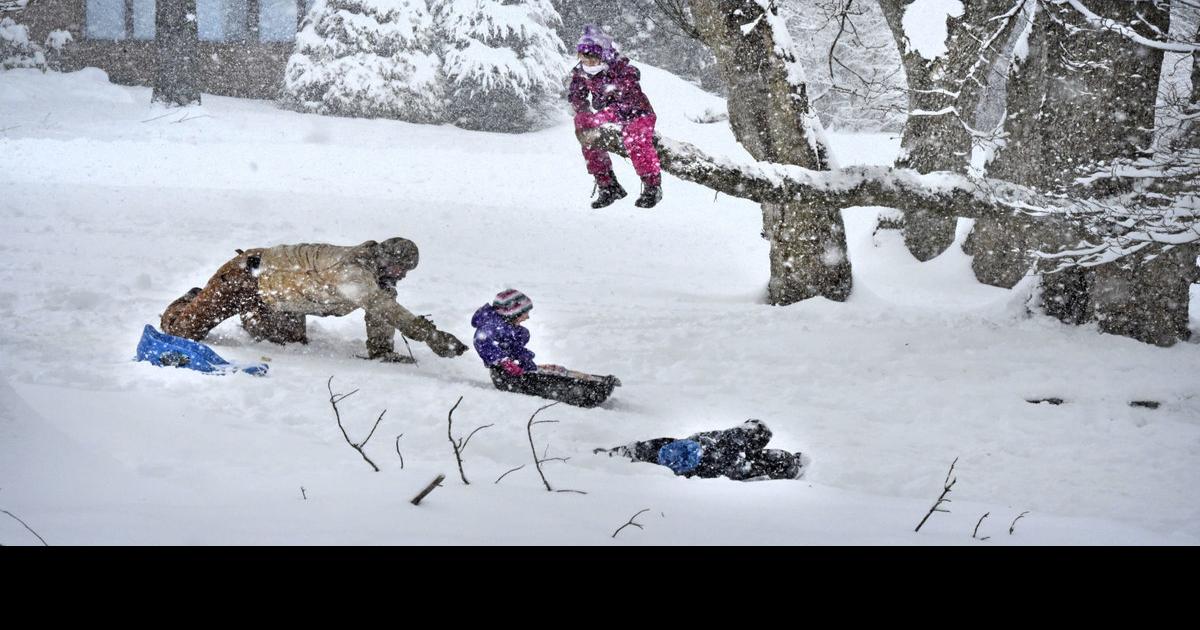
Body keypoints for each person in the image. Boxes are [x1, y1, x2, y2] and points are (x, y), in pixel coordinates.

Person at [160, 238, 468, 362]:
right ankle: (192, 299)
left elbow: (382, 311)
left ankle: (252, 313)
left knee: (287, 343)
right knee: (184, 332)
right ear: (384, 258)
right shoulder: (353, 270)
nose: (401, 275)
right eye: (399, 268)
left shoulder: (379, 279)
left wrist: (381, 350)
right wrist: (430, 335)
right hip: (246, 277)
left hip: (278, 299)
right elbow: (381, 306)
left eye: (406, 271)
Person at [471, 289, 621, 408]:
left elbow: (512, 347)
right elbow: (482, 341)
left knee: (549, 372)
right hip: (505, 377)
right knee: (542, 381)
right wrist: (503, 362)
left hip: (511, 373)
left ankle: (589, 385)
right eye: (525, 313)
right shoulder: (491, 326)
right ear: (512, 312)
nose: (527, 317)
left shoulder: (508, 327)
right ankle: (580, 392)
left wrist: (524, 359)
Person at [569, 24, 663, 209]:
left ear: (603, 56)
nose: (587, 64)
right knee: (585, 130)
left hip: (637, 113)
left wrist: (604, 116)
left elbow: (626, 101)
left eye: (592, 60)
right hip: (609, 117)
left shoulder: (622, 72)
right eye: (583, 58)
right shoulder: (582, 72)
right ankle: (607, 185)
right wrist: (583, 111)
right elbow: (576, 94)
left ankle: (652, 186)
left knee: (635, 138)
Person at [595, 420, 807, 480]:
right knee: (763, 458)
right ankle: (791, 467)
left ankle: (788, 466)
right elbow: (744, 468)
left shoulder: (663, 447)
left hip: (706, 458)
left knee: (752, 457)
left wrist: (614, 452)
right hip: (711, 460)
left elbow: (640, 448)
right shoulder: (729, 455)